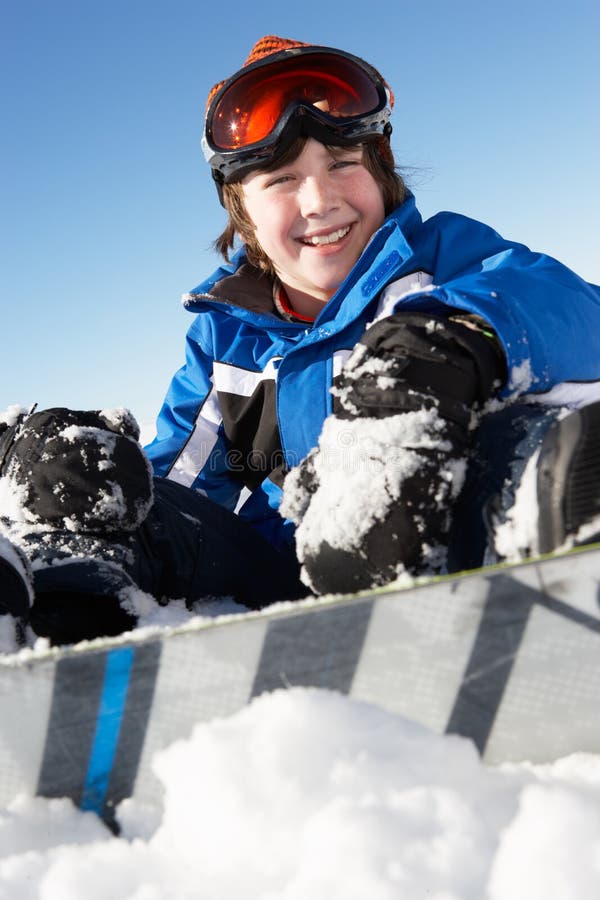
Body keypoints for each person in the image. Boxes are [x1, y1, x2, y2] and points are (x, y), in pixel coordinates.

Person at [1, 35, 599, 648]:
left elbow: (576, 312)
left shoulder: (444, 263)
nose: (321, 200)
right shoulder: (227, 338)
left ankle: (569, 559)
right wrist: (94, 480)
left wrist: (453, 339)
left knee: (528, 439)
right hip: (295, 583)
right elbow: (181, 487)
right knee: (104, 498)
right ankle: (55, 618)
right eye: (283, 179)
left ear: (380, 172)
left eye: (343, 164)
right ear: (242, 212)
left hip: (449, 550)